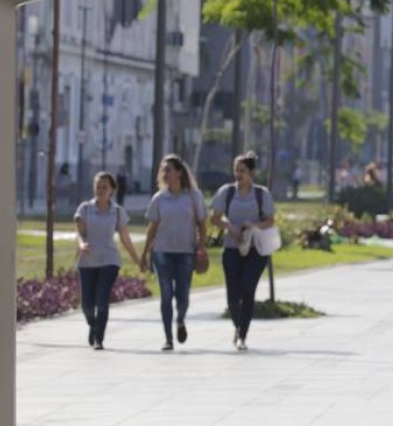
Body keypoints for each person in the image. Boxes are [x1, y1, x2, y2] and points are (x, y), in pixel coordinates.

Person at [210, 151, 275, 352]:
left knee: (248, 289)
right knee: (233, 295)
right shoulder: (227, 192)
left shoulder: (261, 194)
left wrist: (253, 225)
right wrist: (230, 227)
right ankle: (238, 326)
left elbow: (270, 221)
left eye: (243, 171)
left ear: (252, 173)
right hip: (232, 247)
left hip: (255, 250)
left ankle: (242, 335)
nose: (238, 174)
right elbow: (215, 218)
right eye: (236, 170)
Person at [141, 154, 208, 352]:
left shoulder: (193, 197)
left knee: (183, 296)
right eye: (163, 170)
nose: (165, 173)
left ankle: (180, 320)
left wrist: (201, 247)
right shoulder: (159, 198)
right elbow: (152, 227)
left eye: (168, 169)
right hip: (162, 252)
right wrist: (145, 252)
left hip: (185, 252)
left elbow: (202, 224)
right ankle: (168, 338)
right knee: (166, 294)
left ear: (179, 172)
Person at [74, 172, 142, 350]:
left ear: (112, 190)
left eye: (104, 187)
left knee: (102, 299)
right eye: (98, 186)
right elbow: (79, 233)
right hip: (87, 262)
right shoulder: (84, 209)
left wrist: (138, 260)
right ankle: (93, 325)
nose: (101, 190)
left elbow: (125, 239)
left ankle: (99, 338)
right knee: (87, 305)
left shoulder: (118, 211)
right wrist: (81, 244)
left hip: (109, 261)